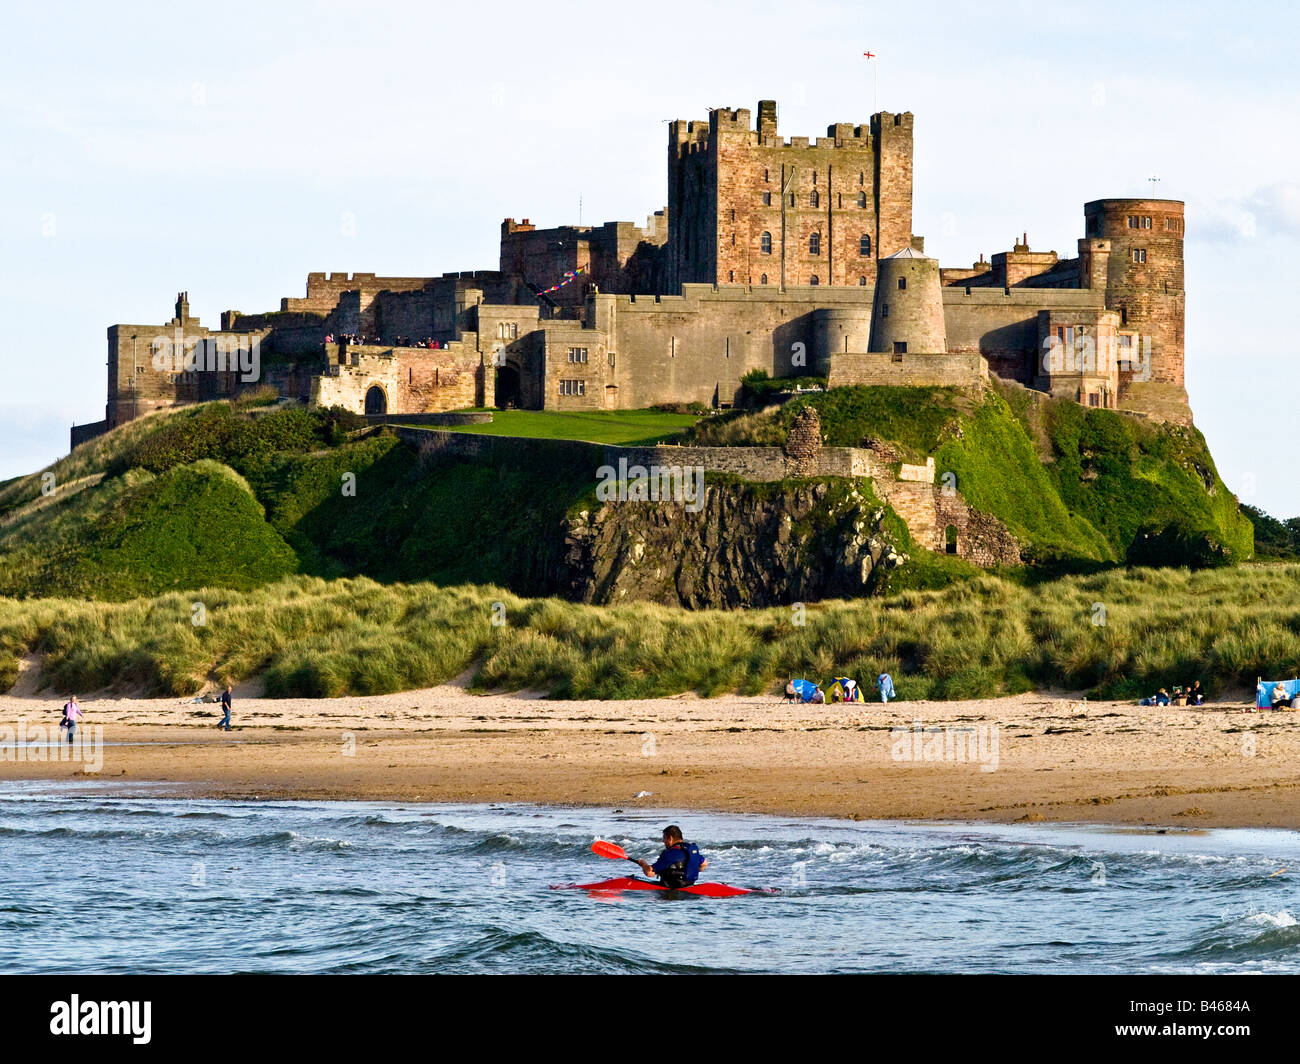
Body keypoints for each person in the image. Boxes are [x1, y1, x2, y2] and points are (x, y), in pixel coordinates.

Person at [636, 825, 707, 890]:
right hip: (689, 886)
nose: (663, 841)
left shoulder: (670, 853)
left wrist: (644, 864)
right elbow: (704, 864)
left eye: (664, 838)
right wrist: (689, 869)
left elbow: (649, 872)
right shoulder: (690, 849)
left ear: (670, 838)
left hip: (672, 889)